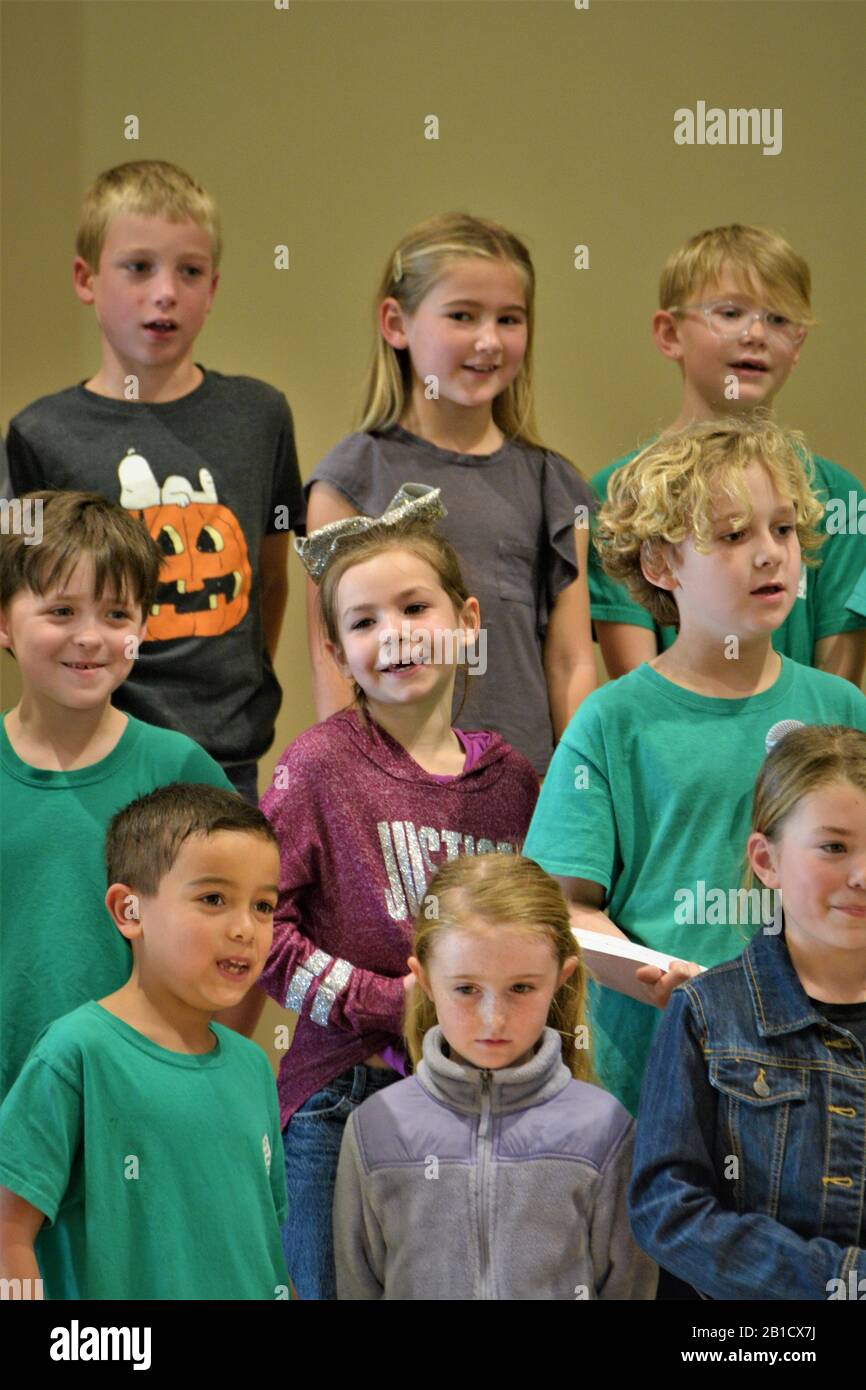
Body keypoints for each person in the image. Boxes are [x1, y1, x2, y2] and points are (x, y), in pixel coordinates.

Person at [227, 488, 539, 1299]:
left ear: (468, 621)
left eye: (413, 606)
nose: (392, 634)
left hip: (481, 1101)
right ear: (334, 650)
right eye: (363, 622)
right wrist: (384, 1000)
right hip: (345, 1097)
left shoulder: (514, 785)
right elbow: (263, 929)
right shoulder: (317, 766)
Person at [523, 414, 866, 1118]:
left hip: (820, 1075)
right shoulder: (613, 721)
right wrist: (661, 978)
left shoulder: (840, 708)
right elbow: (562, 901)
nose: (771, 555)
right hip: (659, 1076)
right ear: (661, 564)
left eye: (784, 530)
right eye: (734, 535)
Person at [4, 159, 306, 801]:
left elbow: (270, 575)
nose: (165, 291)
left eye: (189, 271)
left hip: (227, 759)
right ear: (86, 278)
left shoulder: (259, 417)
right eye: (138, 268)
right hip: (87, 754)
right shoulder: (41, 435)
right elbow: (22, 601)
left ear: (214, 286)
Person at [304, 212, 596, 777]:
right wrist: (359, 789)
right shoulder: (350, 478)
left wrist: (580, 791)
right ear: (396, 323)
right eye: (462, 315)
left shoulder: (553, 484)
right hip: (395, 797)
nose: (489, 341)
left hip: (525, 795)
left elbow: (570, 661)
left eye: (509, 319)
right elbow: (331, 660)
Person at [0, 784, 291, 1300]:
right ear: (129, 911)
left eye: (264, 906)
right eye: (214, 899)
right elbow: (7, 1234)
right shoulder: (77, 1052)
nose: (246, 928)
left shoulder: (252, 1066)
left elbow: (266, 1246)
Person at [332, 853, 657, 1300]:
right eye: (466, 989)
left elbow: (628, 1287)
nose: (494, 1019)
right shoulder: (374, 1128)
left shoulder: (606, 1130)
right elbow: (359, 1286)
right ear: (424, 981)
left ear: (559, 979)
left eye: (521, 988)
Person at [0, 490, 233, 1105]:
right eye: (60, 612)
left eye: (116, 615)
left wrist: (198, 1067)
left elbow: (252, 923)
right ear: (3, 621)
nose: (90, 638)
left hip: (133, 1109)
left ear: (144, 627)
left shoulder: (180, 769)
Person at [630, 724, 866, 1301]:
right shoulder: (706, 1014)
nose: (862, 876)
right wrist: (842, 1283)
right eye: (834, 847)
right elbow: (668, 1209)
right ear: (766, 861)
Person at [589, 224, 866, 688]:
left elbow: (837, 690)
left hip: (802, 756)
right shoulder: (613, 491)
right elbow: (636, 689)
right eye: (731, 313)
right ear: (669, 332)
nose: (757, 334)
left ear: (798, 344)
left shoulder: (841, 495)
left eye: (779, 320)